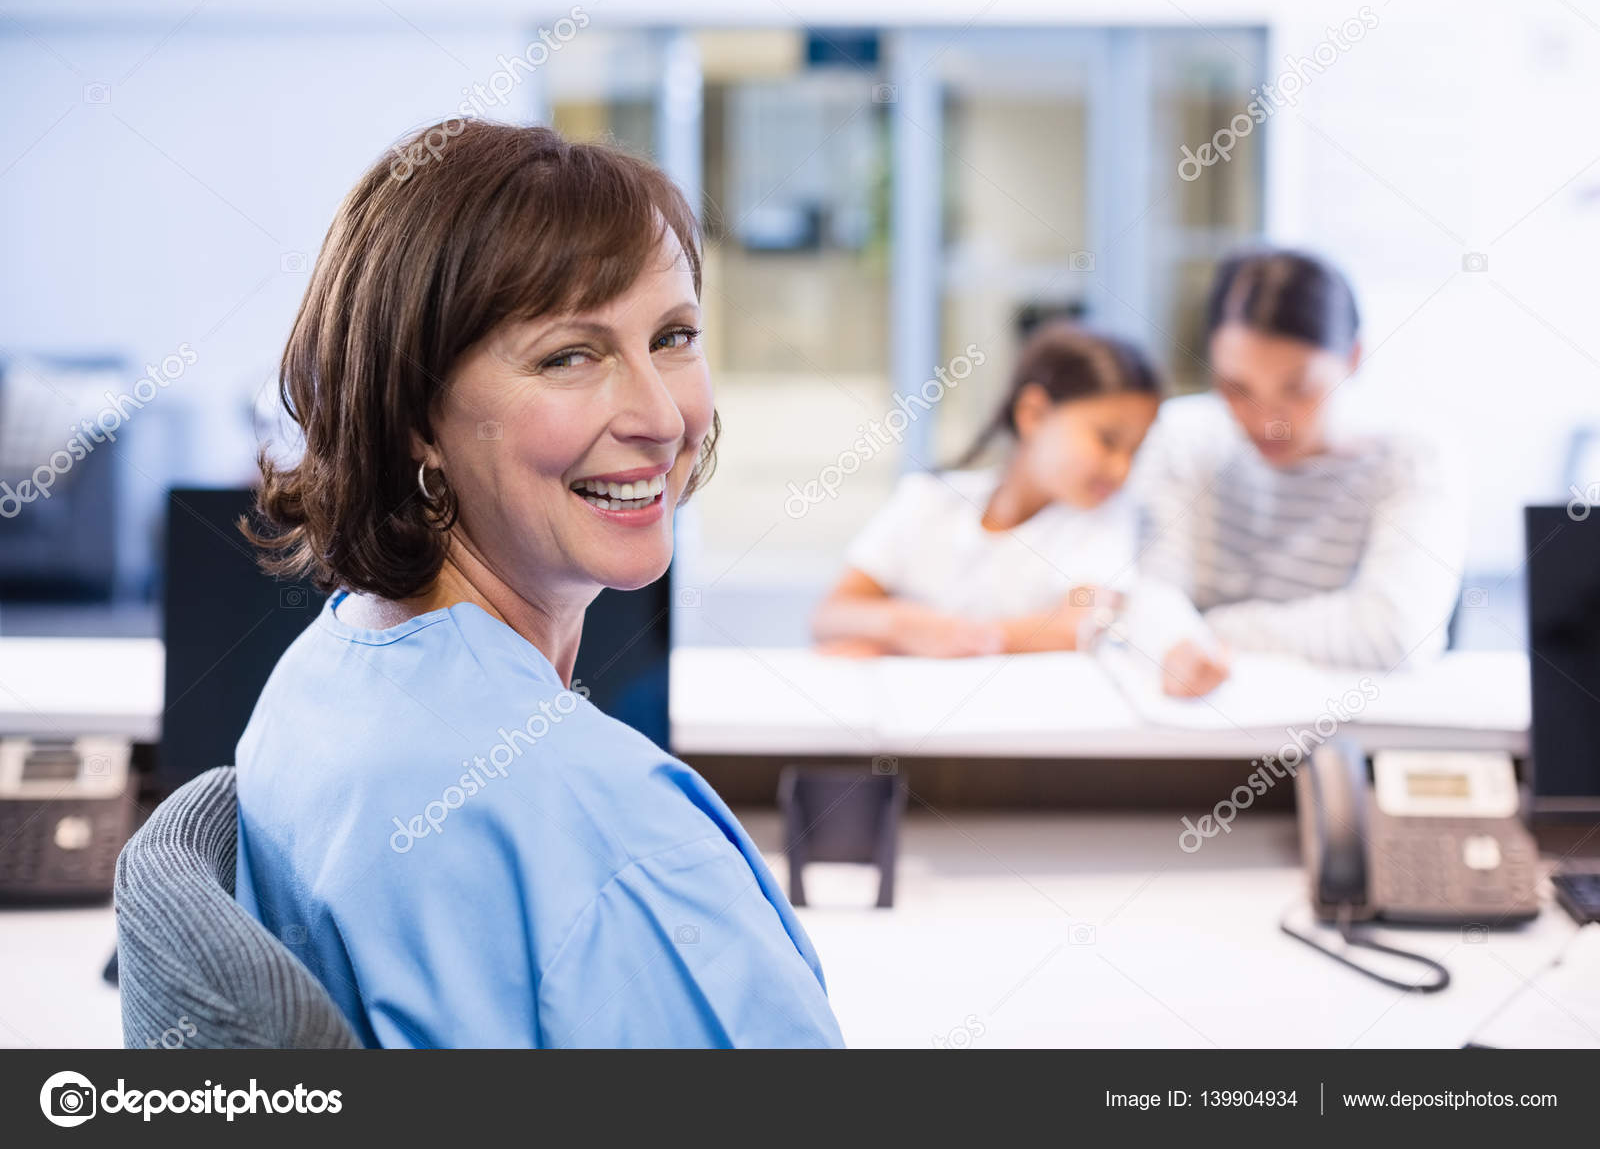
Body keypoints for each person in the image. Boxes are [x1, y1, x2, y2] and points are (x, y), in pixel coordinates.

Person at [233, 119, 843, 1049]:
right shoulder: (616, 843)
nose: (658, 415)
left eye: (674, 336)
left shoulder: (323, 677)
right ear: (415, 416)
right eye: (571, 354)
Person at [813, 322, 1212, 686]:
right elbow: (831, 615)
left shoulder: (1103, 517)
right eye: (1107, 440)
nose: (1122, 469)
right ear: (1033, 415)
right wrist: (906, 628)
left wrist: (927, 640)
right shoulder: (927, 499)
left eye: (1135, 451)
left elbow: (1082, 622)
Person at [1135, 248, 1465, 671]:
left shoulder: (1411, 457)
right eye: (1237, 389)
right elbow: (1146, 595)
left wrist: (1198, 631)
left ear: (1353, 358)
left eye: (1298, 390)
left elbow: (1395, 635)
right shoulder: (1182, 438)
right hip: (1193, 721)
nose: (1268, 422)